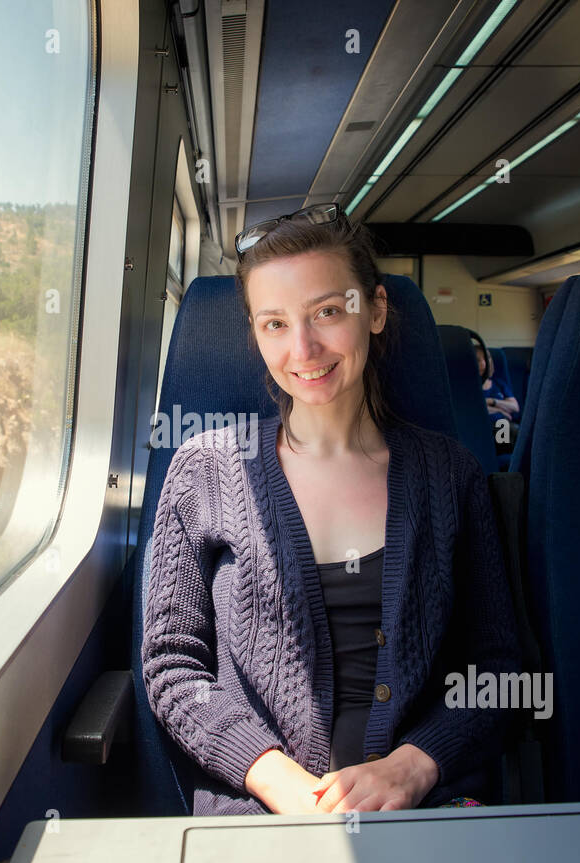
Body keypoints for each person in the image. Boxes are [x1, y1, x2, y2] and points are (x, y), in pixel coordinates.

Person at [141, 204, 521, 816]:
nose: (303, 348)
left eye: (326, 312)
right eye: (274, 324)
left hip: (430, 813)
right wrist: (276, 781)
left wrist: (412, 767)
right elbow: (172, 667)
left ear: (374, 309)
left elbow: (497, 668)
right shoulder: (205, 469)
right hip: (259, 821)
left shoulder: (450, 475)